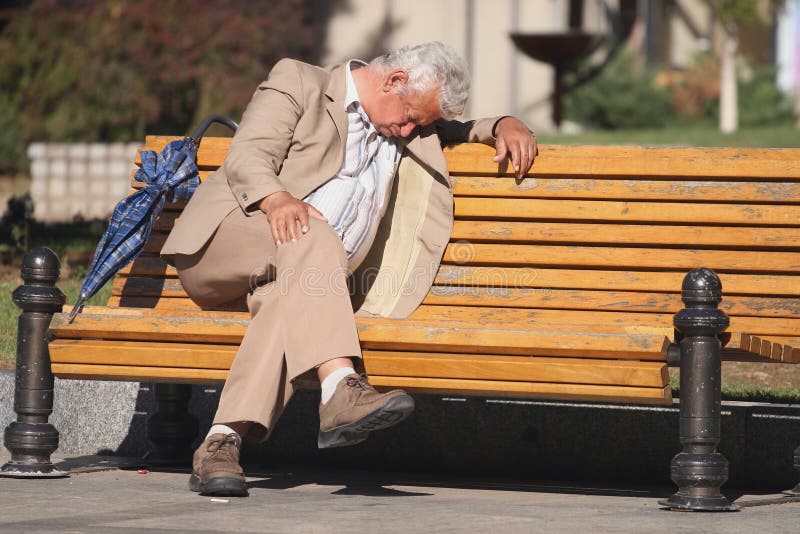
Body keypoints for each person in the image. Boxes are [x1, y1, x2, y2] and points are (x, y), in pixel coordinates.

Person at [161, 42, 537, 497]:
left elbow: (458, 126)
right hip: (226, 243)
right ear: (394, 80)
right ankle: (340, 386)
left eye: (423, 124)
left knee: (292, 294)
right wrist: (278, 198)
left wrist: (504, 123)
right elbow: (248, 156)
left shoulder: (408, 125)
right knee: (313, 233)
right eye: (412, 116)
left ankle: (220, 445)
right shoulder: (301, 82)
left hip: (303, 278)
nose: (412, 130)